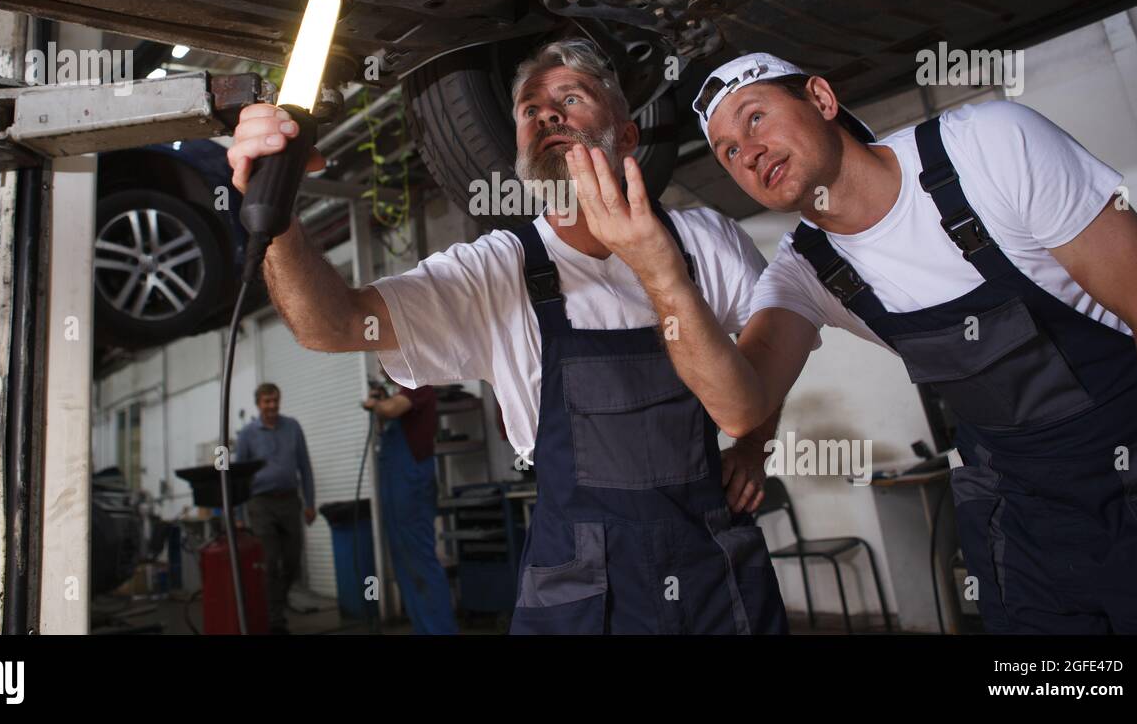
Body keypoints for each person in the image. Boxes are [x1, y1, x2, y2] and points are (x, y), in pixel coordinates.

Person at [567, 50, 1137, 633]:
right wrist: (658, 271)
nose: (748, 152)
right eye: (727, 151)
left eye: (755, 117)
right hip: (1021, 515)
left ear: (822, 98)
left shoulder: (988, 148)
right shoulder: (806, 271)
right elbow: (738, 404)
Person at [227, 38, 788, 634]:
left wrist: (753, 446)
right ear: (519, 145)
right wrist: (277, 208)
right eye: (528, 109)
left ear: (626, 135)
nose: (547, 113)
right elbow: (329, 326)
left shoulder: (706, 240)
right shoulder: (494, 271)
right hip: (578, 581)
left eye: (571, 98)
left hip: (712, 566)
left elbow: (770, 356)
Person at [363, 373, 458, 634]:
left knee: (421, 561)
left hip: (410, 488)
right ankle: (424, 628)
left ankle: (440, 630)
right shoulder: (401, 392)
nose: (382, 367)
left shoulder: (418, 385)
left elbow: (393, 409)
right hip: (397, 490)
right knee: (405, 562)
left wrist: (374, 405)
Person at [235, 382, 316, 634]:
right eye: (266, 401)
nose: (271, 405)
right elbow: (238, 475)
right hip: (261, 504)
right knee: (269, 562)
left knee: (292, 561)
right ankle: (275, 620)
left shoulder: (292, 427)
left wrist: (310, 502)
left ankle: (275, 605)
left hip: (290, 501)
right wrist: (238, 514)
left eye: (275, 400)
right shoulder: (247, 434)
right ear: (258, 404)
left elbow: (305, 466)